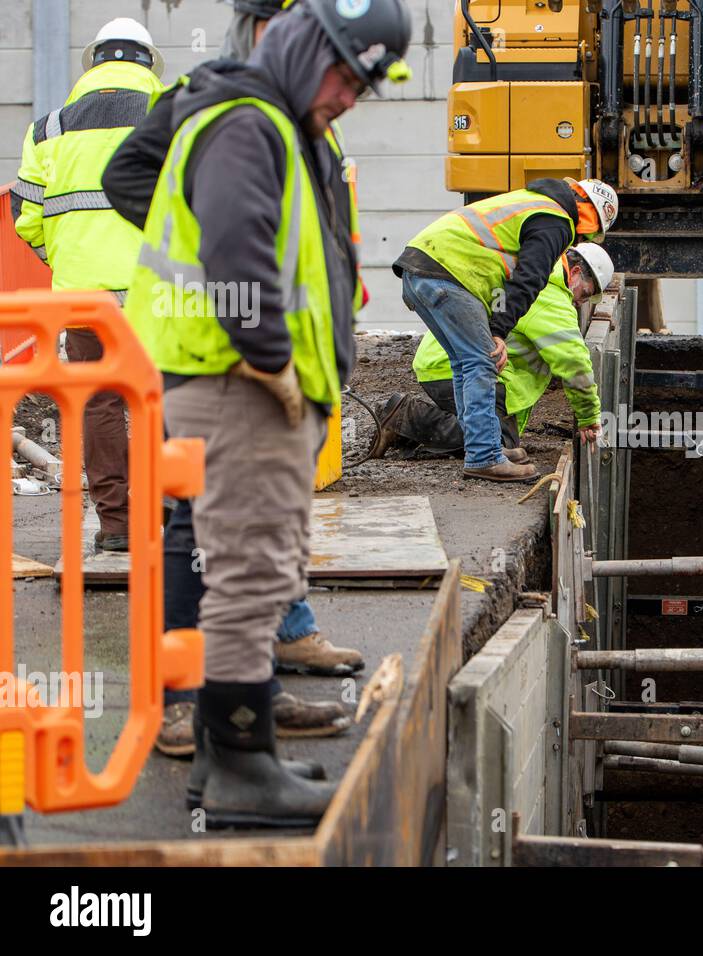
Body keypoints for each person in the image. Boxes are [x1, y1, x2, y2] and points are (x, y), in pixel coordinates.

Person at [113, 0, 411, 828]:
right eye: (346, 74)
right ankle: (244, 765)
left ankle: (225, 753)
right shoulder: (249, 123)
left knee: (252, 567)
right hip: (242, 388)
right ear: (306, 44)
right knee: (248, 576)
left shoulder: (274, 122)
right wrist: (272, 356)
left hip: (248, 386)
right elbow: (238, 243)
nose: (351, 96)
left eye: (364, 84)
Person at [11, 19, 165, 552]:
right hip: (159, 293)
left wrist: (68, 262)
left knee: (99, 404)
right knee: (165, 398)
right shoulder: (174, 116)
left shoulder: (48, 129)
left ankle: (117, 525)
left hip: (83, 298)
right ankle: (169, 515)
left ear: (93, 64)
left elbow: (26, 218)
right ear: (148, 64)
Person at [392, 177, 619, 482]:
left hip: (422, 267)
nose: (577, 239)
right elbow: (528, 282)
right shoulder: (556, 220)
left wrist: (496, 328)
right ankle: (484, 456)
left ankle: (485, 448)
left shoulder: (531, 202)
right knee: (480, 361)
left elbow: (506, 286)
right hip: (446, 272)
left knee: (467, 362)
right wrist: (498, 331)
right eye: (585, 293)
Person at [373, 243, 614, 459]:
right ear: (573, 273)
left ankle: (405, 430)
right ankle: (405, 416)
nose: (580, 302)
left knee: (499, 436)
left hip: (447, 360)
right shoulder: (549, 296)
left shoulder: (527, 270)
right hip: (461, 368)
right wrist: (588, 416)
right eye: (585, 294)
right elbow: (573, 361)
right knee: (495, 442)